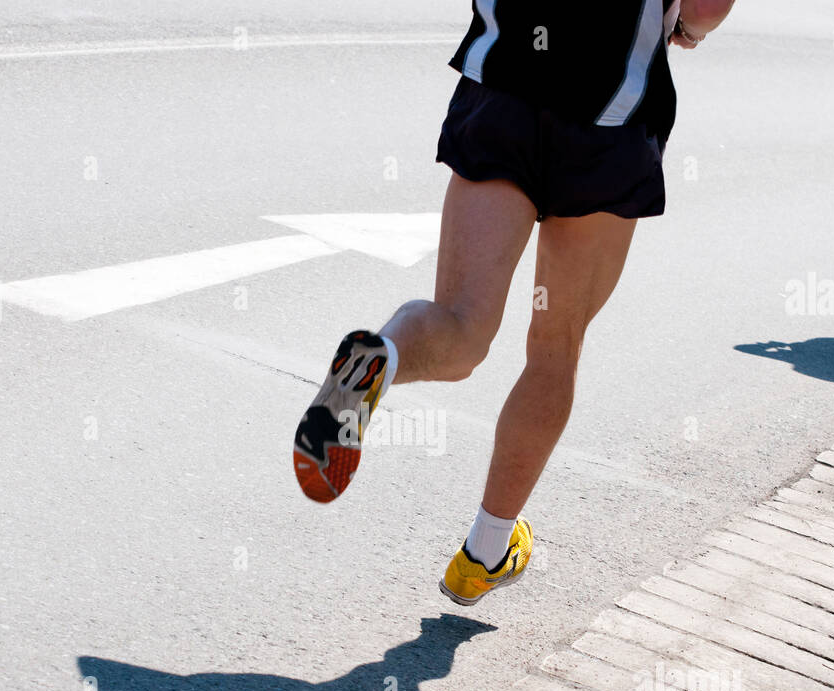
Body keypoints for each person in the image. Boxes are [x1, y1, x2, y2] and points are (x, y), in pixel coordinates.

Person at [293, 0, 736, 605]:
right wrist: (686, 25)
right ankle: (485, 552)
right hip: (611, 114)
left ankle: (384, 356)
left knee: (461, 326)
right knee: (555, 349)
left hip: (504, 87)